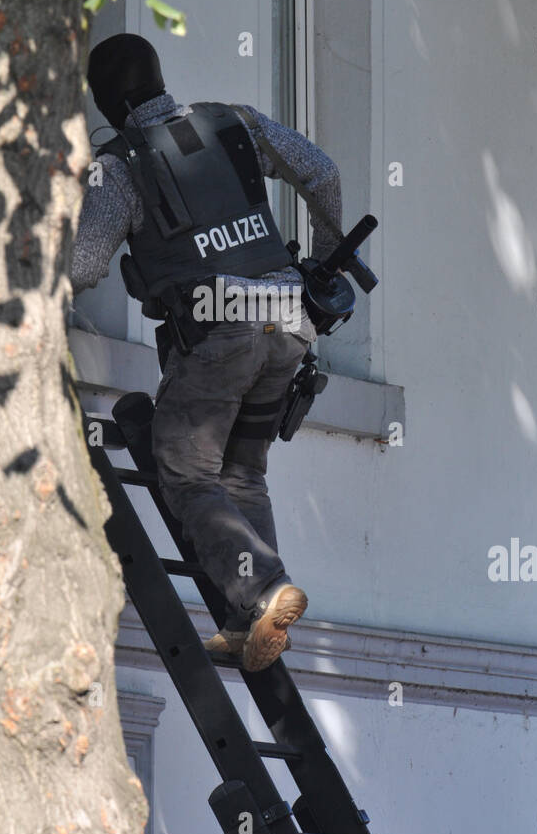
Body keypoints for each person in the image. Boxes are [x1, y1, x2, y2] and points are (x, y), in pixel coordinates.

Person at [71, 33, 343, 672]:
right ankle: (252, 619)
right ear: (161, 79)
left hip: (223, 333)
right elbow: (321, 170)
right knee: (242, 472)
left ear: (109, 104)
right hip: (290, 320)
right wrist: (329, 255)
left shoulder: (118, 168)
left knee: (187, 470)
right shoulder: (235, 123)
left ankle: (266, 588)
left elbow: (83, 265)